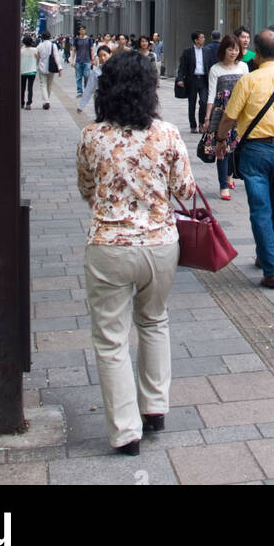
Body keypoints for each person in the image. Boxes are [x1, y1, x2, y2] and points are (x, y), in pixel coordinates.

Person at [77, 48, 196, 455]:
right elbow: (185, 190)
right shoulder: (167, 134)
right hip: (161, 245)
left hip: (109, 246)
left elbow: (87, 190)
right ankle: (155, 408)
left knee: (111, 339)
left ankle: (126, 432)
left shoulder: (93, 136)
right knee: (154, 320)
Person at [214, 29, 274, 287]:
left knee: (260, 209)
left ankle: (272, 269)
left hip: (254, 152)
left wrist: (220, 140)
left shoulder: (247, 82)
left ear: (255, 56)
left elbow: (228, 118)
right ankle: (266, 254)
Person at [202, 34, 249, 199]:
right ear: (224, 50)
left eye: (236, 49)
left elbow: (248, 92)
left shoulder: (243, 67)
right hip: (221, 115)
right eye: (230, 49)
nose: (233, 52)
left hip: (240, 115)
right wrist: (207, 118)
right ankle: (223, 186)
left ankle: (229, 176)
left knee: (234, 149)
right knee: (222, 150)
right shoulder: (215, 69)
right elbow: (211, 95)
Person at [176, 31, 208, 132]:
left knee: (204, 101)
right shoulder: (187, 52)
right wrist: (180, 79)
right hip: (192, 80)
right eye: (202, 38)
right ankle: (193, 125)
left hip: (203, 79)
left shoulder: (207, 51)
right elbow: (182, 67)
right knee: (192, 103)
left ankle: (201, 123)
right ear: (196, 40)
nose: (204, 39)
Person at [78, 43, 113, 114]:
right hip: (101, 101)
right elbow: (89, 89)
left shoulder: (118, 69)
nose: (102, 58)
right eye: (100, 56)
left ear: (110, 54)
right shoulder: (96, 71)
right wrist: (81, 105)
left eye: (105, 55)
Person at [35, 32, 62, 109]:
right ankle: (47, 100)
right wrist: (59, 68)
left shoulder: (40, 45)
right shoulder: (53, 45)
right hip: (51, 68)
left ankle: (46, 101)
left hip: (42, 67)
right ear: (50, 37)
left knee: (43, 84)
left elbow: (36, 55)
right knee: (49, 85)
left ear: (42, 37)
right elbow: (57, 57)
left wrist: (39, 58)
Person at [73, 25, 95, 99]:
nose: (82, 31)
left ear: (85, 30)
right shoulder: (76, 39)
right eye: (81, 29)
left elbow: (91, 49)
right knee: (78, 77)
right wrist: (72, 60)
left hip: (87, 60)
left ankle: (86, 89)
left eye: (83, 29)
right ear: (79, 31)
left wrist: (92, 59)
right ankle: (79, 91)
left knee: (86, 75)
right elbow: (74, 50)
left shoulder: (89, 39)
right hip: (78, 60)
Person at [20, 34, 37, 109]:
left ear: (23, 42)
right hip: (32, 71)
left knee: (22, 88)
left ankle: (22, 103)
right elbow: (38, 58)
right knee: (30, 88)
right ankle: (29, 103)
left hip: (22, 71)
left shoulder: (21, 51)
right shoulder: (35, 50)